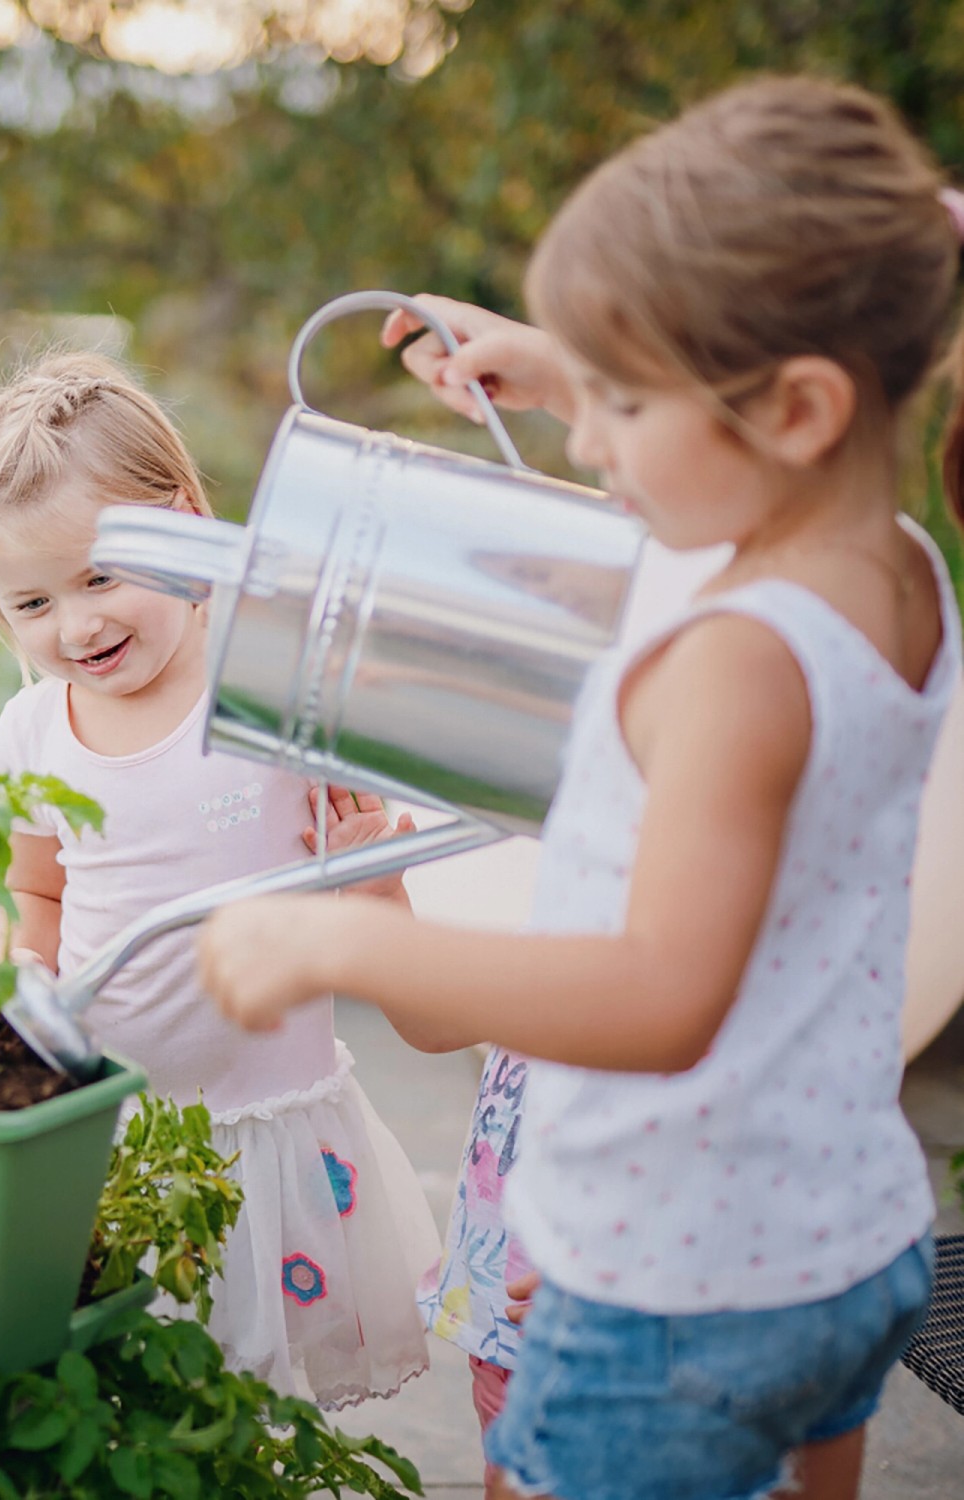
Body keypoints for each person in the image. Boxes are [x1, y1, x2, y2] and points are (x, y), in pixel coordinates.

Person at [196, 75, 964, 1499]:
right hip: (841, 1242)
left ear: (795, 405)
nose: (589, 441)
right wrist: (564, 362)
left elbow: (664, 997)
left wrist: (352, 941)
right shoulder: (889, 559)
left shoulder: (738, 662)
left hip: (666, 1290)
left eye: (622, 400)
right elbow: (712, 482)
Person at [0, 349, 441, 1408]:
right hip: (117, 1131)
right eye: (32, 602)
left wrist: (366, 876)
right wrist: (19, 969)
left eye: (103, 575)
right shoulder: (32, 732)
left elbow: (369, 889)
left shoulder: (267, 686)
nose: (75, 626)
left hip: (269, 1125)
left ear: (188, 523)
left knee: (256, 1401)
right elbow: (34, 893)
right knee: (132, 1385)